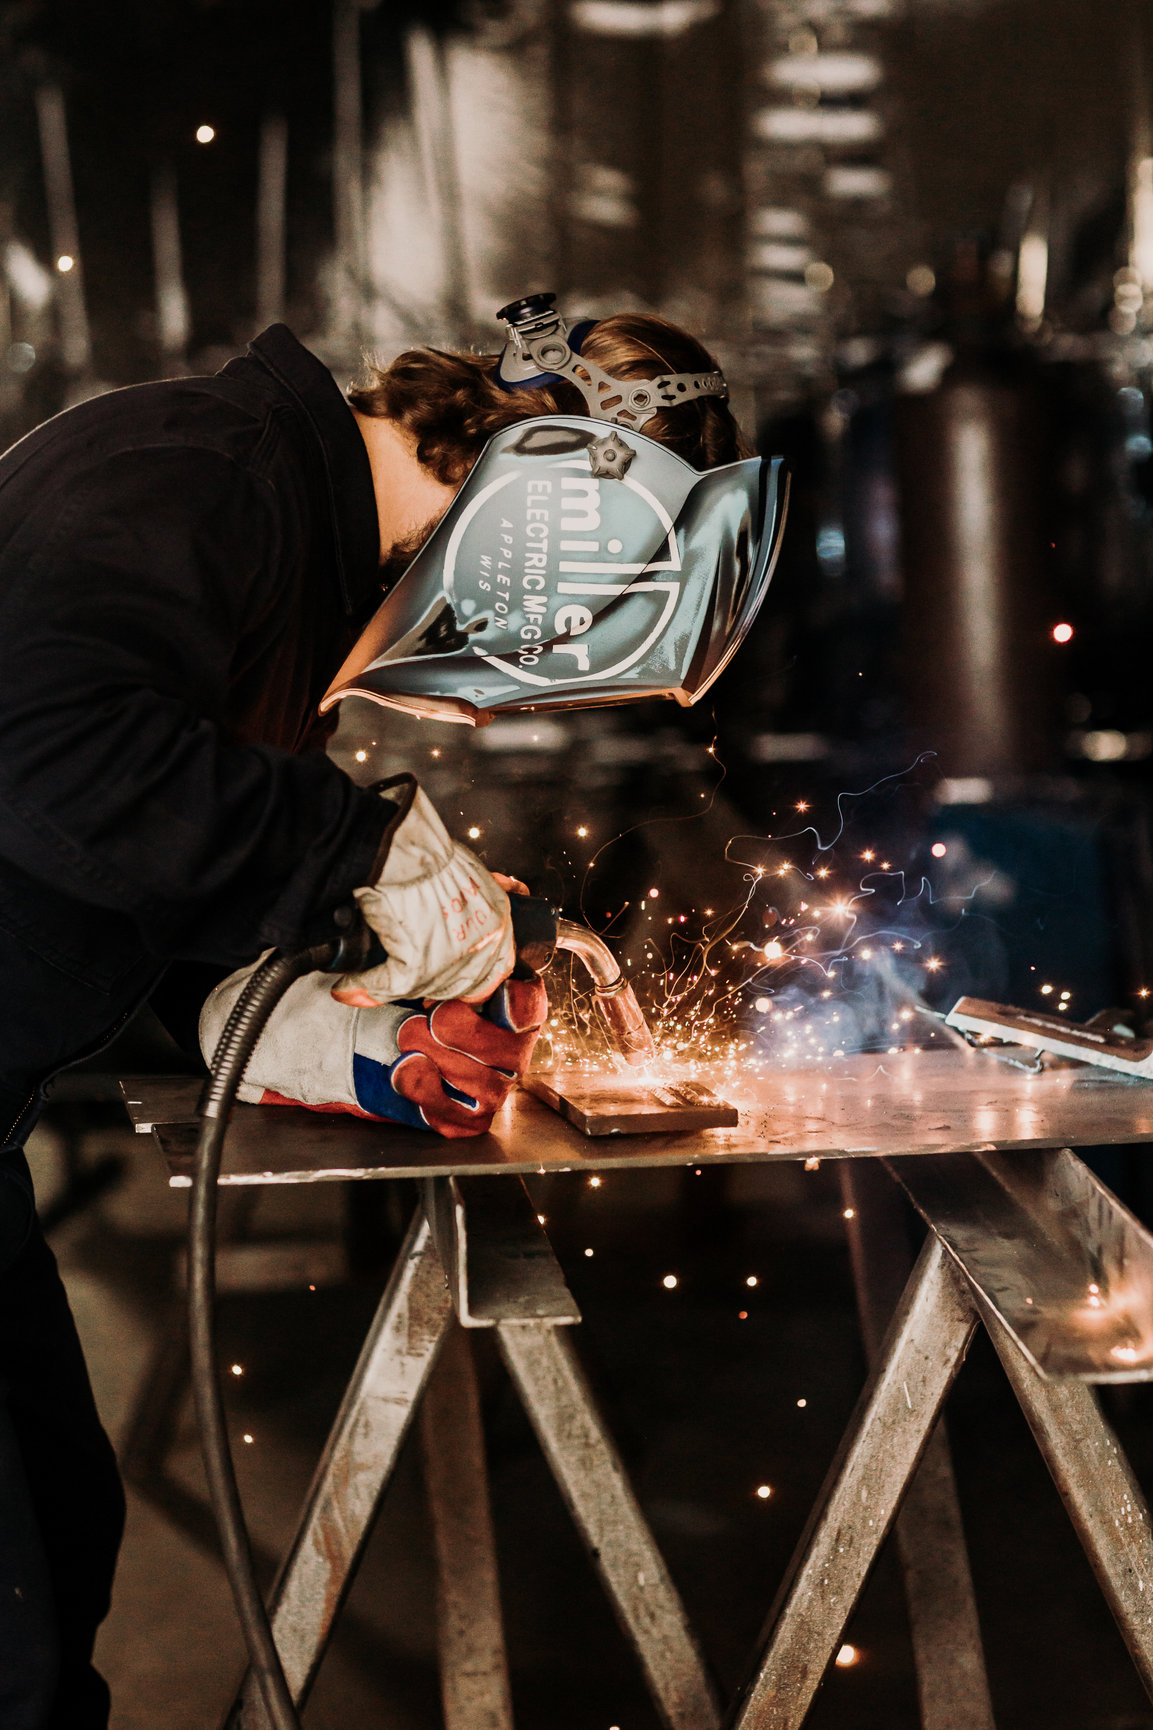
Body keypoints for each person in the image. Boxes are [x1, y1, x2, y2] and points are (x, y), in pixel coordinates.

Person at [0, 308, 750, 1727]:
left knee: (57, 1537)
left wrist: (262, 1008)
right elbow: (44, 745)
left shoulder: (282, 552)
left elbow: (107, 858)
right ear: (546, 489)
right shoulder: (199, 472)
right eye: (564, 616)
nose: (501, 690)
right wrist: (350, 849)